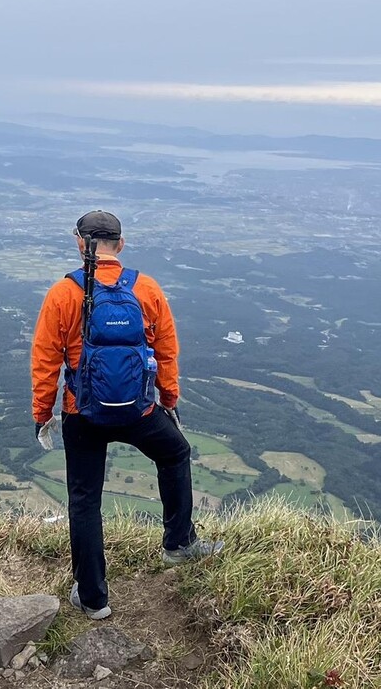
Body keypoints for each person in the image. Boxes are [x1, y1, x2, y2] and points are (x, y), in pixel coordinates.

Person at [30, 210, 222, 621]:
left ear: (79, 242)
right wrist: (168, 399)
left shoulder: (64, 294)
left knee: (84, 500)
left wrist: (42, 413)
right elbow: (167, 351)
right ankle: (179, 543)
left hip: (81, 411)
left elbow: (45, 359)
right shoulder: (147, 289)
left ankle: (94, 598)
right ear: (121, 243)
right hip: (138, 409)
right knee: (174, 453)